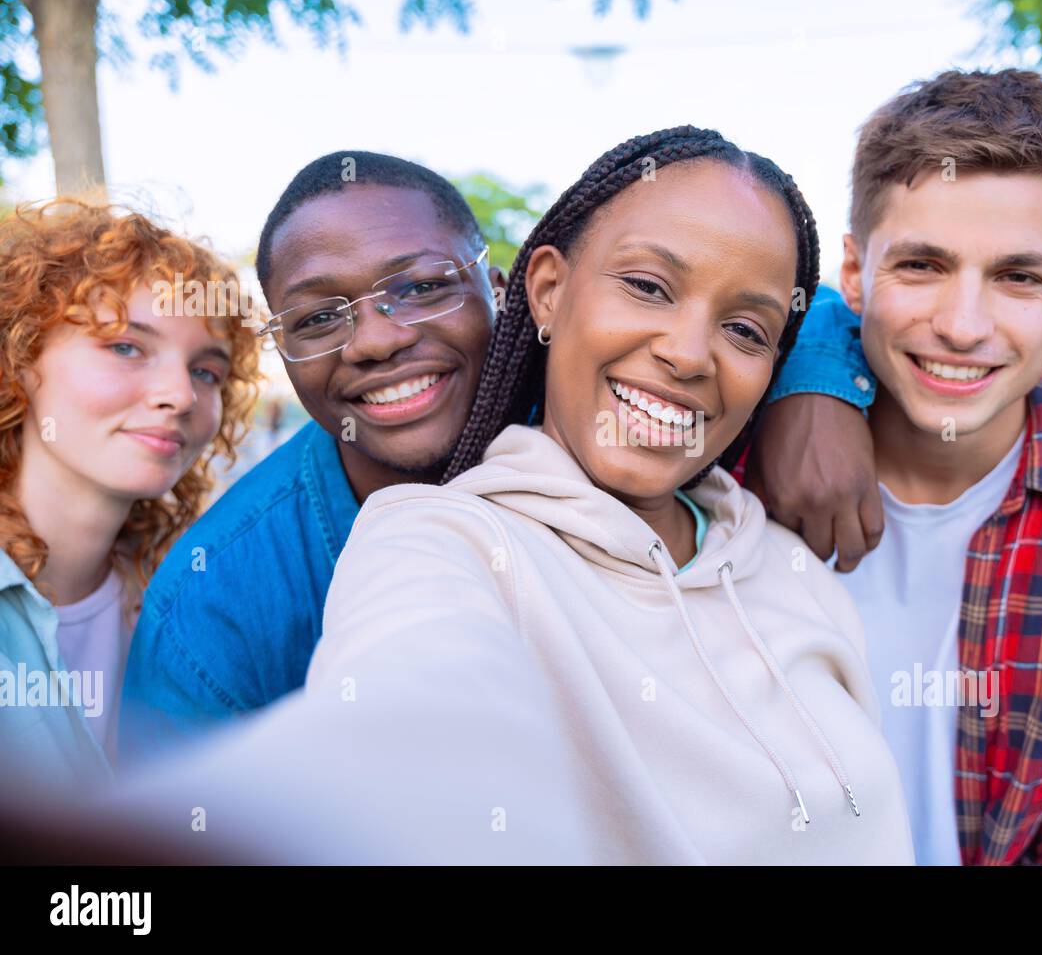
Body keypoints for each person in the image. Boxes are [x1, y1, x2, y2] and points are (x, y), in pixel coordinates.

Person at [311, 126, 913, 864]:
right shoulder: (435, 544)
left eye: (745, 329)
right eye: (648, 287)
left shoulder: (793, 570)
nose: (689, 354)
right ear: (548, 292)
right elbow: (393, 733)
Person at [748, 69, 1042, 864]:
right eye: (922, 265)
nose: (962, 326)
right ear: (853, 274)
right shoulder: (727, 466)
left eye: (1018, 277)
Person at [119, 152, 505, 763]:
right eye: (320, 317)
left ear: (498, 291)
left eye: (423, 287)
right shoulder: (209, 608)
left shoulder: (622, 474)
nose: (378, 340)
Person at [0, 198, 260, 787]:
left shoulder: (192, 595)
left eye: (207, 371)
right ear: (19, 357)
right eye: (126, 347)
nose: (181, 395)